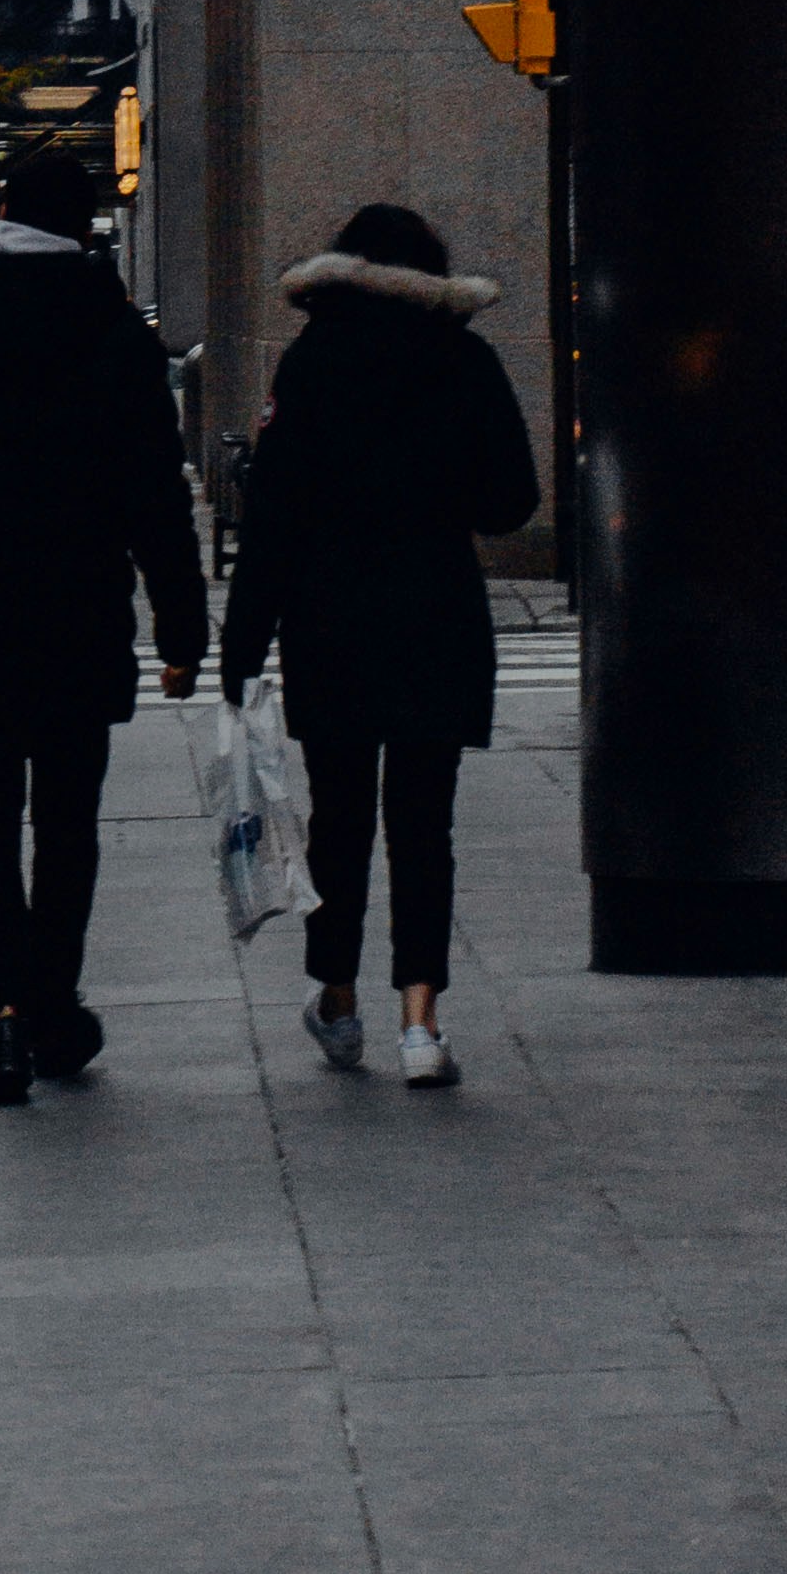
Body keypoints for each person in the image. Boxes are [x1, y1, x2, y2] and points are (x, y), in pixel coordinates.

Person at [221, 202, 536, 1089]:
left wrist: (242, 647)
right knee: (425, 825)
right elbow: (511, 500)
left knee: (343, 819)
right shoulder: (466, 359)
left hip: (332, 617)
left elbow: (272, 518)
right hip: (437, 611)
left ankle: (339, 998)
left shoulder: (312, 360)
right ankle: (421, 1022)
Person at [0, 147, 205, 1106]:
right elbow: (154, 491)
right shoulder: (114, 328)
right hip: (78, 603)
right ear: (82, 224)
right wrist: (180, 623)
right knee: (69, 820)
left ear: (0, 212)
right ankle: (53, 999)